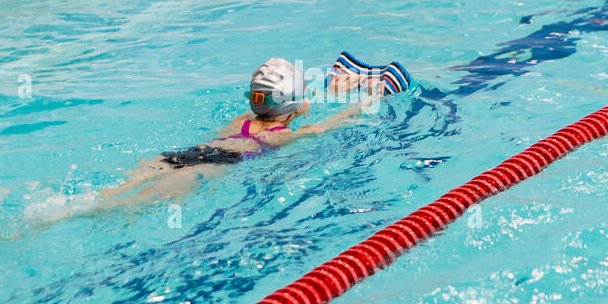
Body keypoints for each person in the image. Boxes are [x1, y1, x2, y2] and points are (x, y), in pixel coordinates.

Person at [32, 57, 407, 219]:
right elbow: (324, 125)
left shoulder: (241, 118)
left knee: (124, 185)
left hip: (186, 153)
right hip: (212, 168)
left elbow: (290, 107)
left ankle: (78, 205)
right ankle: (93, 213)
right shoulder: (278, 138)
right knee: (136, 207)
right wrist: (365, 100)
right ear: (293, 106)